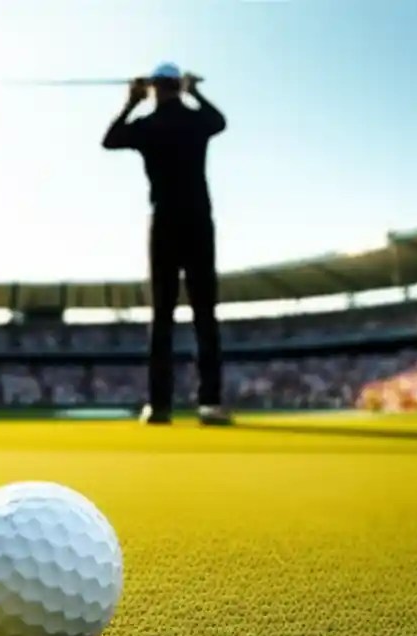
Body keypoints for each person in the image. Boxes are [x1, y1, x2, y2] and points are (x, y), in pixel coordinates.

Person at [102, 62, 231, 426]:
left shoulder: (147, 126)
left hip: (164, 222)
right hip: (198, 221)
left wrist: (130, 102)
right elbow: (219, 121)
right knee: (205, 313)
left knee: (162, 315)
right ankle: (210, 403)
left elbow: (110, 139)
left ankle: (159, 406)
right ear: (177, 87)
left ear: (155, 89)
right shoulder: (194, 120)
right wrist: (195, 91)